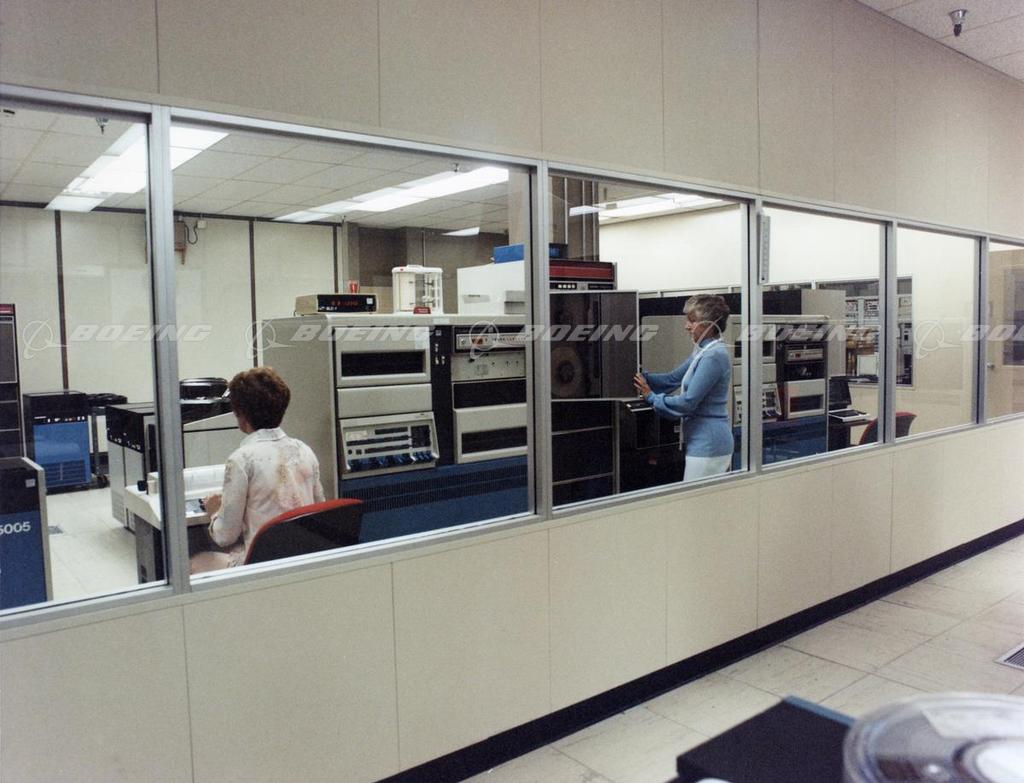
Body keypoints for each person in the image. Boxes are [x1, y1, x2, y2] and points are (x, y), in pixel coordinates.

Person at [190, 366, 324, 573]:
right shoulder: (304, 450)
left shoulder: (242, 460)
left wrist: (214, 512)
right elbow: (319, 509)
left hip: (263, 564)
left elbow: (225, 536)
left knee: (193, 563)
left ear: (240, 415)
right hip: (304, 556)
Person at [633, 295, 733, 482]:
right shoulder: (702, 351)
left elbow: (687, 403)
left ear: (709, 325)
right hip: (703, 442)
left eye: (692, 321)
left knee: (697, 506)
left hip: (709, 444)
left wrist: (651, 397)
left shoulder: (713, 356)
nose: (686, 326)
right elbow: (672, 379)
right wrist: (642, 377)